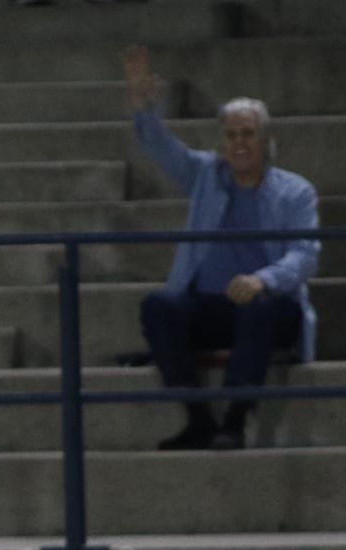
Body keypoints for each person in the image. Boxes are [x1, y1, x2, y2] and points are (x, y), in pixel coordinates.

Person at [125, 46, 318, 451]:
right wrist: (145, 108)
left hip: (269, 305)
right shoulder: (205, 175)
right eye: (231, 136)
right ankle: (199, 421)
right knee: (160, 306)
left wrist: (261, 280)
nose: (239, 143)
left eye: (248, 134)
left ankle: (234, 420)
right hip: (211, 305)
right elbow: (164, 149)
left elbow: (305, 254)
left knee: (259, 306)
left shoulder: (296, 191)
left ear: (264, 140)